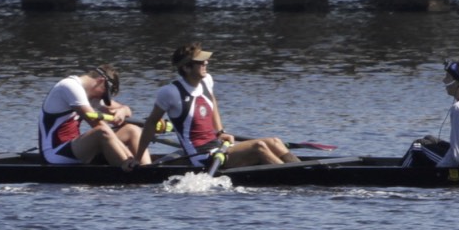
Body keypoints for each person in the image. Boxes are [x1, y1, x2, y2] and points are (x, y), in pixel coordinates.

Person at [132, 43, 299, 171]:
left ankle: (302, 169)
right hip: (201, 157)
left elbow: (213, 104)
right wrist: (139, 158)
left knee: (275, 141)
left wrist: (220, 132)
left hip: (219, 147)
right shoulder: (170, 92)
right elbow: (151, 124)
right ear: (186, 67)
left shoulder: (206, 80)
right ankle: (293, 176)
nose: (206, 62)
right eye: (200, 62)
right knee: (259, 147)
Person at [37, 64, 148, 167]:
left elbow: (127, 111)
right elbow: (97, 124)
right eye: (104, 94)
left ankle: (146, 168)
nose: (102, 98)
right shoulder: (69, 87)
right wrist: (129, 156)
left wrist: (122, 111)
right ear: (100, 81)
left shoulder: (90, 94)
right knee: (101, 131)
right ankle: (130, 167)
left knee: (132, 130)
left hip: (76, 150)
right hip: (55, 155)